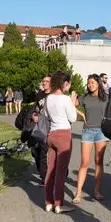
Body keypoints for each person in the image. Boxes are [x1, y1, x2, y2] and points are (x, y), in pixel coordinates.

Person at [44, 72, 78, 213]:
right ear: (65, 83)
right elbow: (73, 118)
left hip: (51, 134)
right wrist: (72, 101)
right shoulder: (65, 99)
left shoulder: (48, 98)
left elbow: (46, 115)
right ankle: (59, 203)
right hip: (63, 134)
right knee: (61, 171)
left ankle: (48, 202)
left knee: (50, 169)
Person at [73, 74, 109, 204]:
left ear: (98, 83)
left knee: (99, 162)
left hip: (101, 132)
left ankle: (96, 191)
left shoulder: (106, 98)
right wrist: (80, 113)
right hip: (87, 131)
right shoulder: (84, 97)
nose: (90, 85)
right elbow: (72, 104)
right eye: (88, 83)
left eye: (92, 82)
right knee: (84, 163)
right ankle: (78, 193)